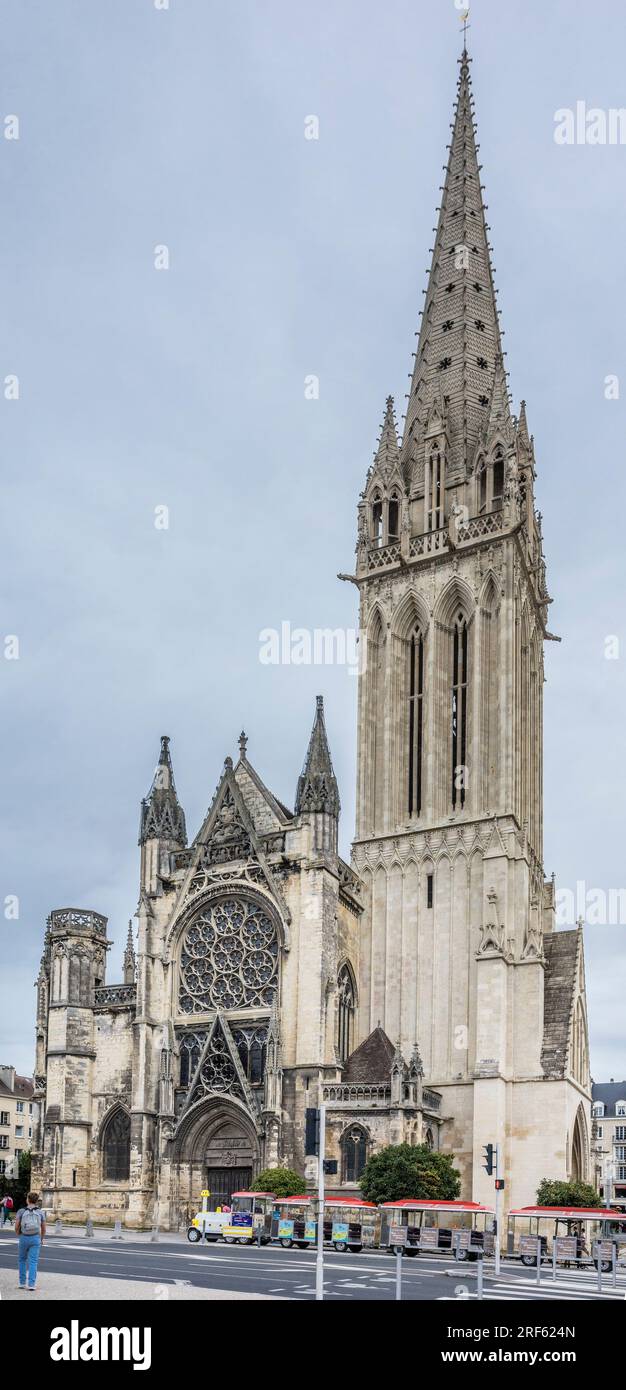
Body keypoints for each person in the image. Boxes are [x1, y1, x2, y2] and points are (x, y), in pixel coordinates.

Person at [15, 1192, 46, 1290]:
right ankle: (31, 1285)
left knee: (22, 1260)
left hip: (24, 1237)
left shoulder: (21, 1211)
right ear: (37, 1201)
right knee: (33, 1262)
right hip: (35, 1238)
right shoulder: (40, 1212)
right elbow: (44, 1228)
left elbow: (16, 1226)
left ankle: (22, 1283)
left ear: (27, 1199)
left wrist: (19, 1233)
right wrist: (41, 1239)